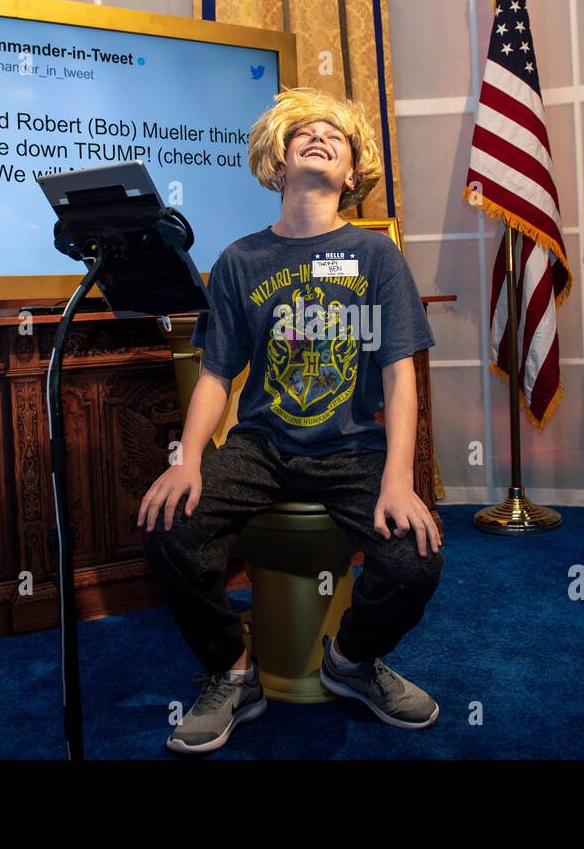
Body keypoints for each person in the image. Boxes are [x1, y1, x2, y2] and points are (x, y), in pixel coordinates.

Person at [137, 87, 443, 755]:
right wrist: (186, 458)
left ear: (353, 171)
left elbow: (399, 374)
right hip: (264, 445)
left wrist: (400, 478)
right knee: (170, 525)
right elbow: (217, 372)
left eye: (337, 133)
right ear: (277, 157)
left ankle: (353, 662)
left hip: (355, 447)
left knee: (415, 560)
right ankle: (233, 672)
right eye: (304, 128)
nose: (320, 135)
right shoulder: (239, 262)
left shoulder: (376, 256)